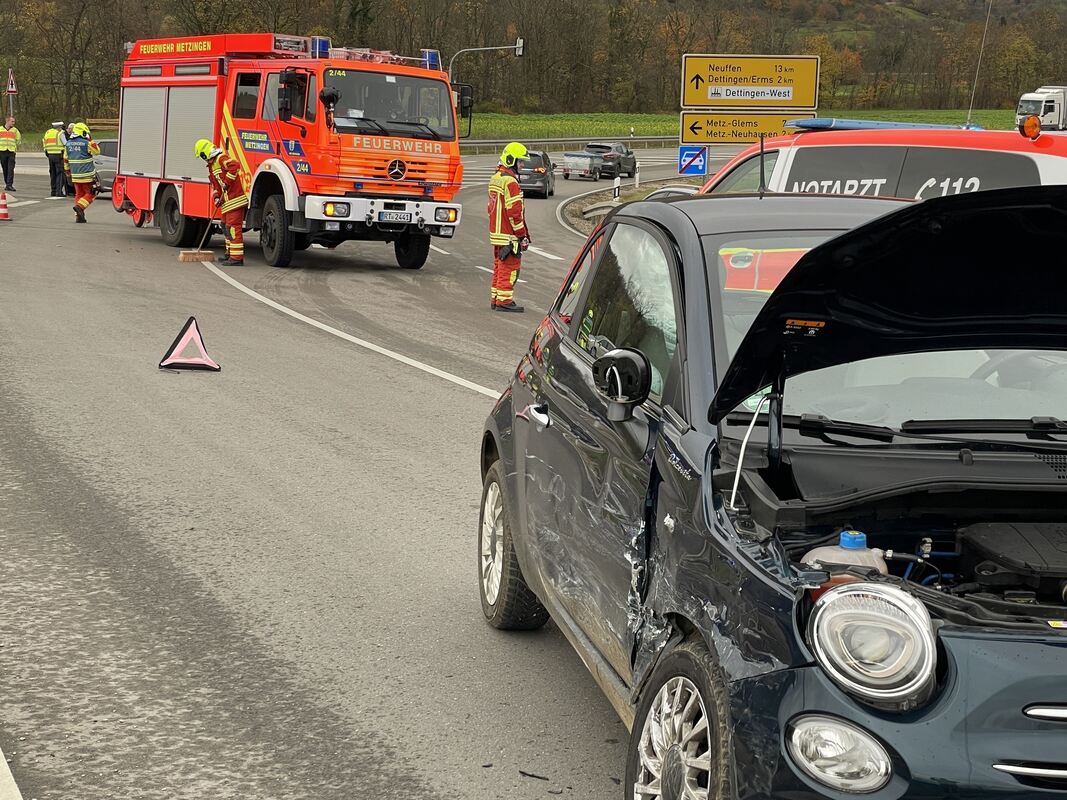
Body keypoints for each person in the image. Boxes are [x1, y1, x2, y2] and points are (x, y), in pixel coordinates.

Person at [487, 141, 531, 312]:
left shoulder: (496, 178)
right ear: (511, 160)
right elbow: (515, 213)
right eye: (520, 161)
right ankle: (504, 301)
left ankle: (496, 298)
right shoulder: (511, 182)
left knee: (499, 266)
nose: (522, 165)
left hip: (497, 233)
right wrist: (522, 235)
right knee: (510, 267)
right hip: (509, 235)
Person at [194, 138, 248, 266]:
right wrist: (217, 198)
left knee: (233, 228)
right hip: (227, 203)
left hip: (235, 201)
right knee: (225, 227)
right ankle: (229, 254)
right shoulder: (212, 166)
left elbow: (235, 166)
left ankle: (237, 258)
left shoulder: (220, 159)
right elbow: (216, 186)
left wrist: (227, 183)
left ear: (204, 154)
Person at [63, 122, 100, 223]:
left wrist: (67, 171)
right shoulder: (86, 143)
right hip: (87, 175)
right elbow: (97, 151)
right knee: (91, 194)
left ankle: (79, 217)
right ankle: (80, 207)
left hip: (75, 175)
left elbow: (65, 159)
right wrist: (90, 139)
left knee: (79, 194)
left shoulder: (68, 144)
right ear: (83, 132)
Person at [42, 121, 67, 197]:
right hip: (59, 155)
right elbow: (65, 143)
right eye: (61, 127)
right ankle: (59, 192)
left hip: (50, 155)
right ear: (59, 127)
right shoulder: (60, 133)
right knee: (60, 173)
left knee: (53, 173)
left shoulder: (48, 132)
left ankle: (53, 191)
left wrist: (47, 152)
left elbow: (44, 143)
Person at [0, 116, 20, 192]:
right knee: (5, 169)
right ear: (7, 121)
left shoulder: (15, 130)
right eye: (12, 121)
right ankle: (7, 184)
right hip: (2, 151)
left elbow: (18, 140)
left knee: (11, 169)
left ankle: (9, 185)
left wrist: (15, 146)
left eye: (14, 121)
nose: (13, 123)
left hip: (11, 152)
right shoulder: (0, 129)